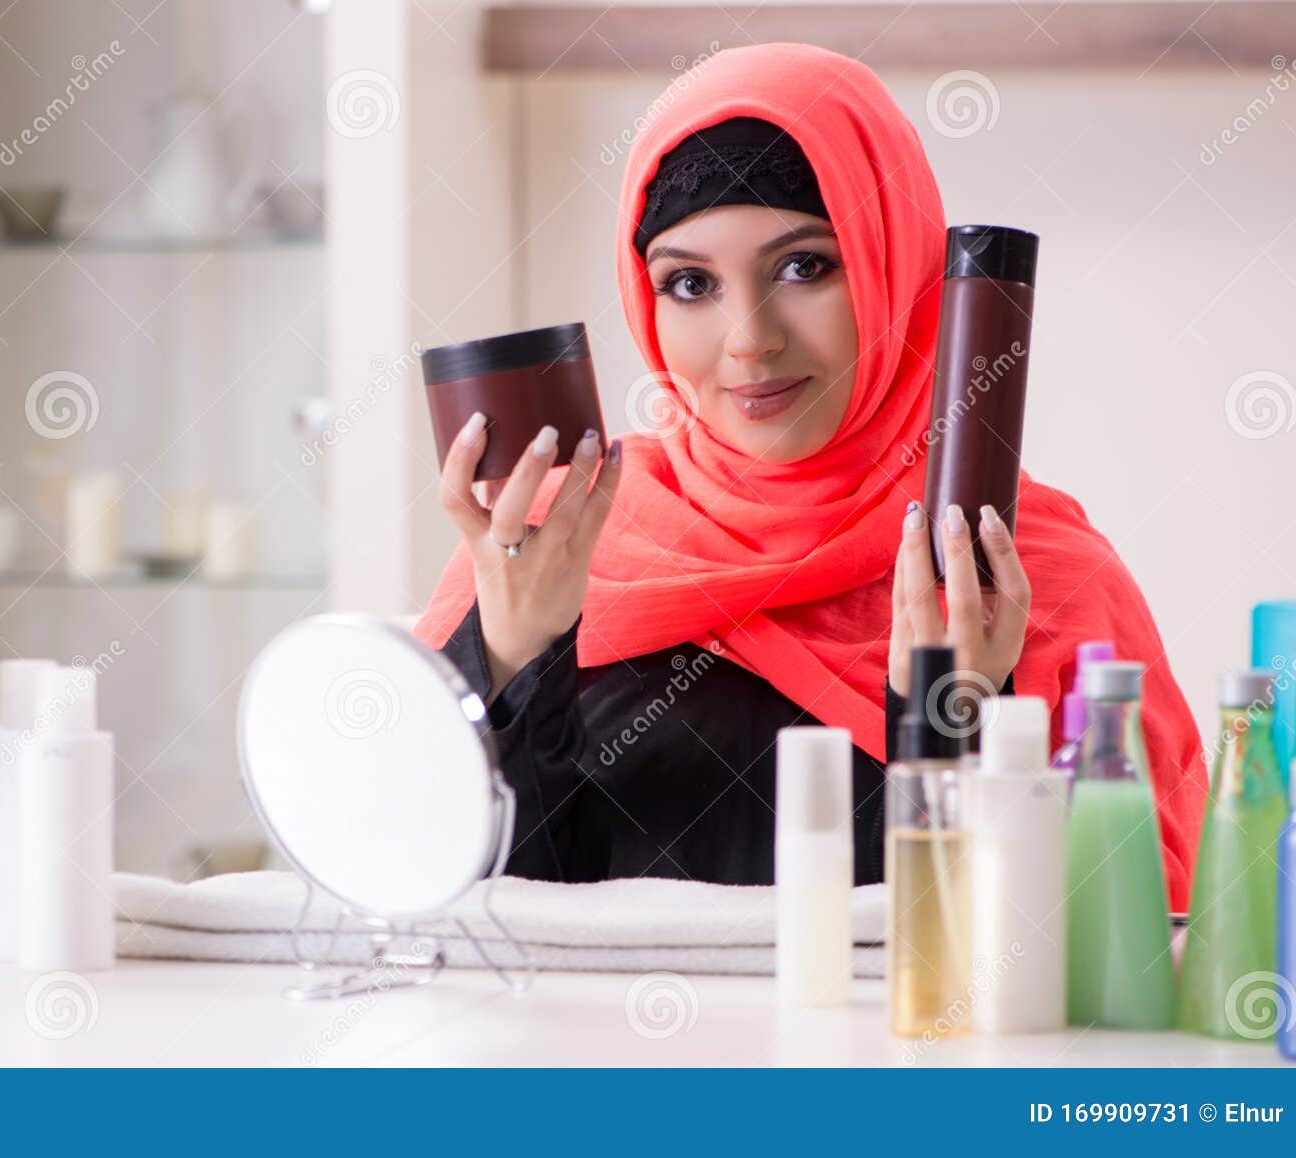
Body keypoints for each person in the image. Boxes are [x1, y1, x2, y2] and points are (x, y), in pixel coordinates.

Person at [412, 42, 1205, 910]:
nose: (749, 339)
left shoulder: (1030, 574)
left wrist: (955, 714)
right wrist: (514, 661)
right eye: (689, 283)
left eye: (804, 267)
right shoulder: (560, 542)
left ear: (891, 267)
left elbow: (1116, 953)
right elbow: (450, 910)